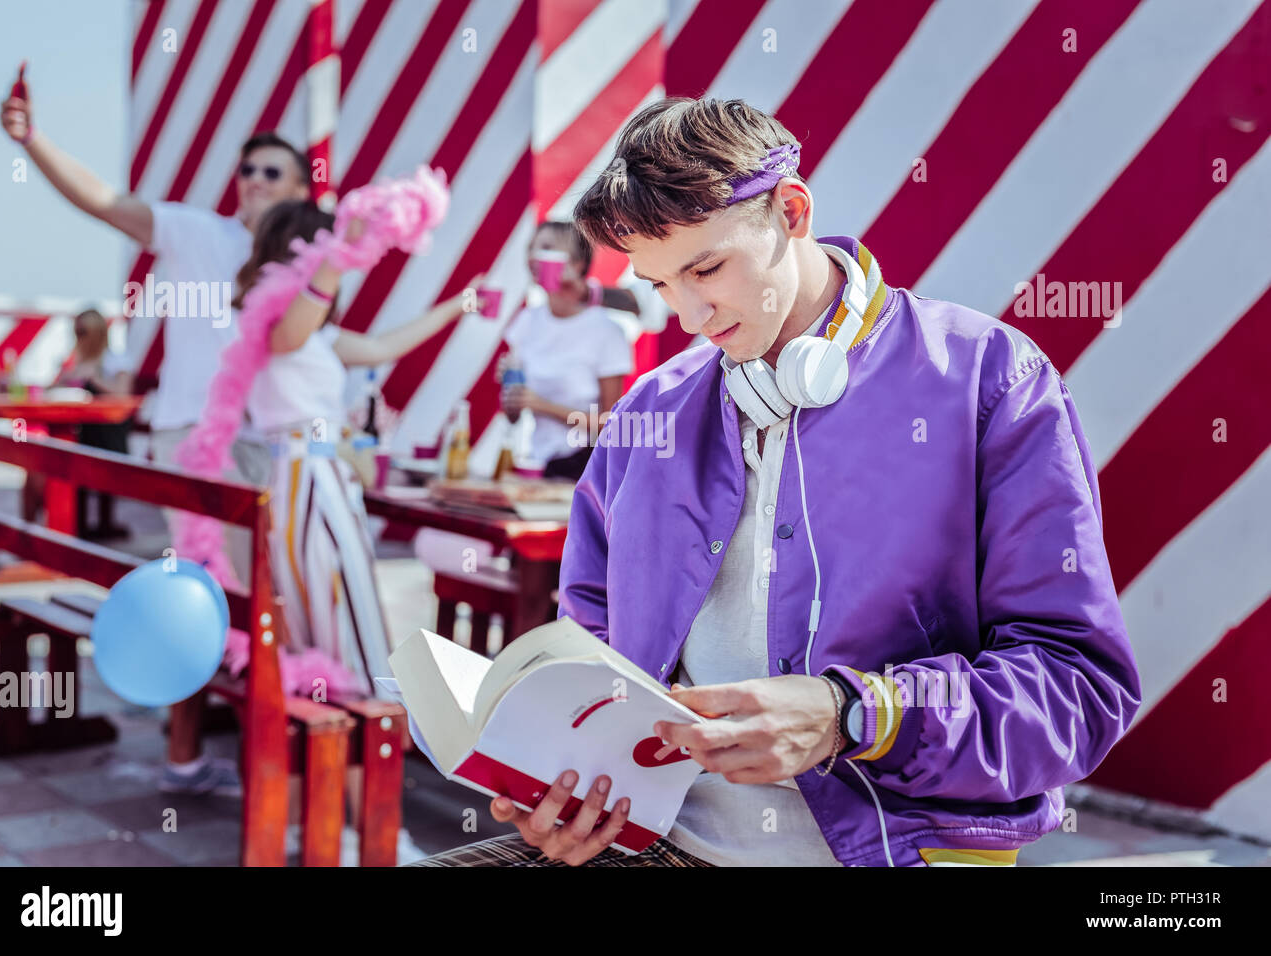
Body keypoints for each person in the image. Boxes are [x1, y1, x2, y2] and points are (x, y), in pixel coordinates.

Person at [409, 96, 1141, 867]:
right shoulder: (650, 413)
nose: (690, 315)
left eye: (706, 268)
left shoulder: (991, 382)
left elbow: (1079, 691)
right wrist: (568, 792)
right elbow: (588, 656)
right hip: (650, 845)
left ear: (791, 211)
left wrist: (852, 715)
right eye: (660, 286)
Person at [0, 79, 309, 795]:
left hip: (271, 448)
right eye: (247, 168)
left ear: (297, 188)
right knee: (195, 599)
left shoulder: (298, 265)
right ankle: (190, 760)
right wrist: (31, 141)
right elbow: (104, 201)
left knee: (269, 603)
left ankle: (264, 756)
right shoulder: (202, 234)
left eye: (272, 170)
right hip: (194, 445)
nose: (255, 179)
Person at [234, 199, 482, 699]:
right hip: (308, 478)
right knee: (342, 615)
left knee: (332, 613)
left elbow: (382, 347)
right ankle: (366, 738)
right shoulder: (277, 325)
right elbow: (301, 320)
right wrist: (343, 246)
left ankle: (352, 743)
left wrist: (461, 304)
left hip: (309, 477)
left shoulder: (313, 333)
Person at [496, 221, 634, 481]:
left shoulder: (606, 331)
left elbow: (611, 425)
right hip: (536, 465)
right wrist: (513, 394)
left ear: (578, 264)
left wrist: (541, 405)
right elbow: (513, 416)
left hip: (583, 471)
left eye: (546, 248)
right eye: (531, 248)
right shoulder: (526, 321)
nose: (533, 256)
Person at [51, 309, 134, 539]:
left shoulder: (115, 360)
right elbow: (53, 389)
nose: (79, 337)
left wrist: (94, 378)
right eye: (77, 331)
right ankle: (75, 524)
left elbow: (123, 394)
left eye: (83, 331)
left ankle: (100, 524)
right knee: (70, 454)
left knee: (91, 456)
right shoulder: (77, 361)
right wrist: (68, 377)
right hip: (83, 432)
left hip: (109, 433)